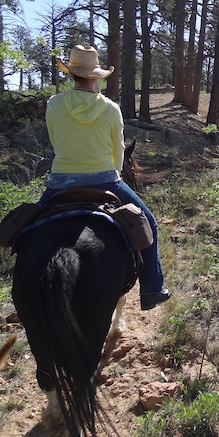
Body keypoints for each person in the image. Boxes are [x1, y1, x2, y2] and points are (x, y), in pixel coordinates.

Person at [38, 45, 171, 310]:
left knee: (26, 229)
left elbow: (55, 141)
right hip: (105, 181)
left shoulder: (54, 104)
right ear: (97, 76)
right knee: (149, 224)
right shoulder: (110, 109)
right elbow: (118, 150)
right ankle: (152, 289)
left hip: (60, 182)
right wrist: (113, 173)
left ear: (71, 74)